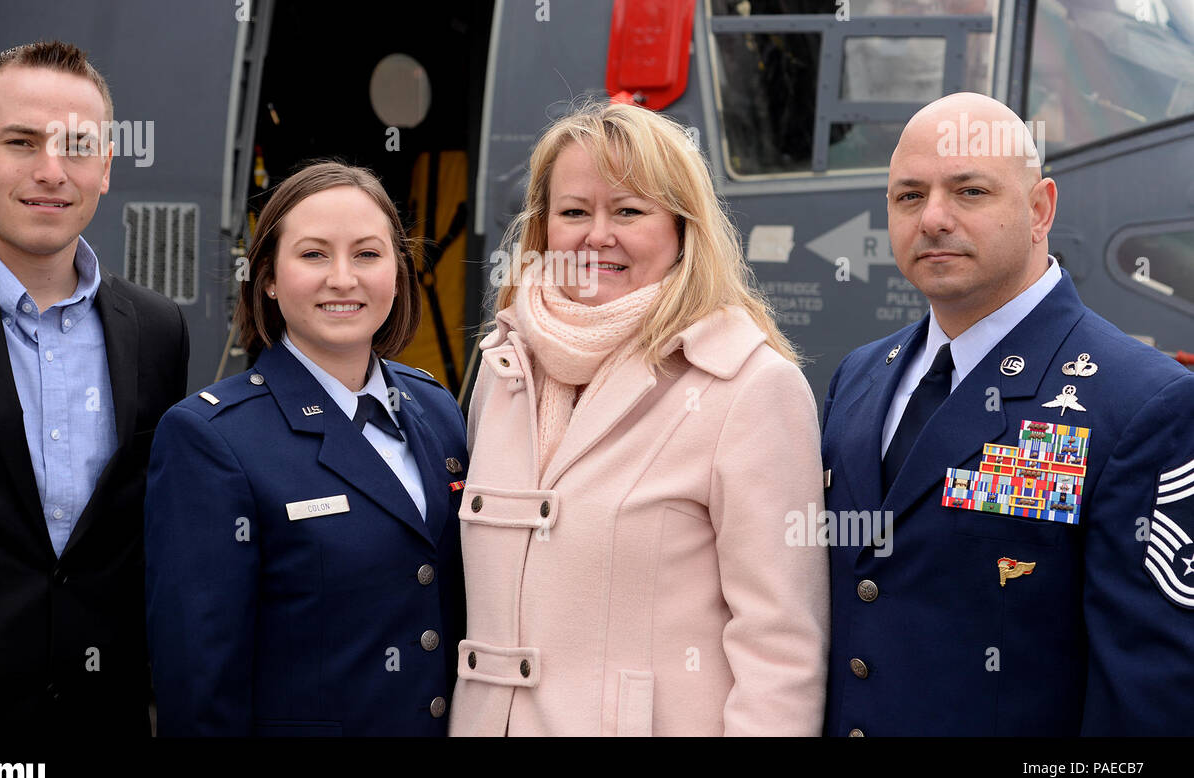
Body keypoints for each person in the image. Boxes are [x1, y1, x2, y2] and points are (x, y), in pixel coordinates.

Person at [820, 92, 1194, 736]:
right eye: (909, 196)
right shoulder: (857, 378)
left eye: (969, 192)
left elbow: (1152, 695)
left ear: (1040, 209)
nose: (934, 218)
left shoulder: (1142, 402)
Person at [450, 101, 828, 736]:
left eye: (629, 210)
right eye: (574, 212)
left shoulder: (751, 386)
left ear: (682, 227)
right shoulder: (504, 366)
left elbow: (780, 649)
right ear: (543, 230)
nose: (599, 235)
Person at [0, 40, 189, 733]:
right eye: (22, 142)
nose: (51, 171)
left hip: (101, 716)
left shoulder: (156, 331)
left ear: (107, 167)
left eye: (78, 146)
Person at [145, 161, 466, 736]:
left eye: (368, 254)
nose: (343, 278)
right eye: (314, 254)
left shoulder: (436, 409)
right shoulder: (211, 438)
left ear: (398, 272)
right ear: (267, 276)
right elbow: (200, 679)